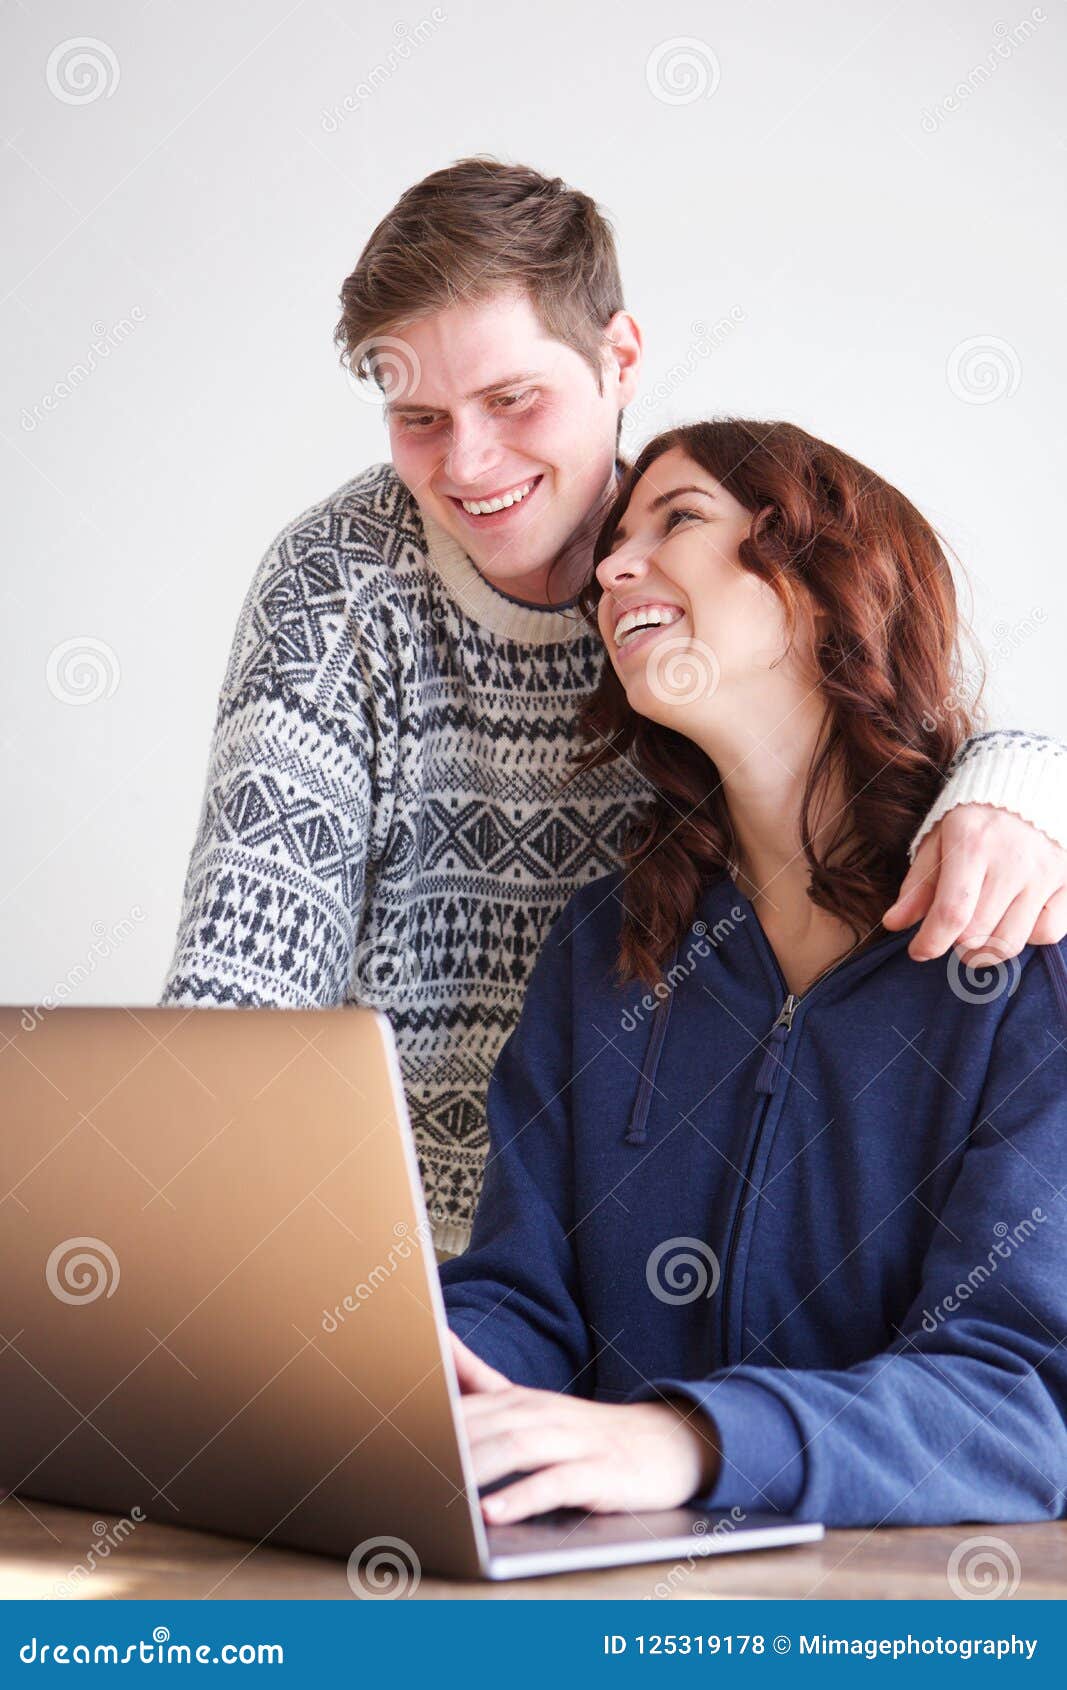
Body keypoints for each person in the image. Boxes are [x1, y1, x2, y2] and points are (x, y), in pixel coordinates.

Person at [161, 159, 1067, 1258]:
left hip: (631, 1261)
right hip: (401, 1268)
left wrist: (1021, 783)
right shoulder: (338, 581)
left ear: (618, 356)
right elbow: (243, 970)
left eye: (511, 399)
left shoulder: (704, 568)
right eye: (418, 417)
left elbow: (886, 704)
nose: (468, 463)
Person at [439, 420, 1067, 1530]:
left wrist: (691, 1438)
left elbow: (1019, 1403)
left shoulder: (1020, 949)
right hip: (603, 1592)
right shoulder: (602, 950)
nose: (611, 566)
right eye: (610, 545)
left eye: (677, 520)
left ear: (826, 582)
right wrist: (424, 1385)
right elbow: (519, 1297)